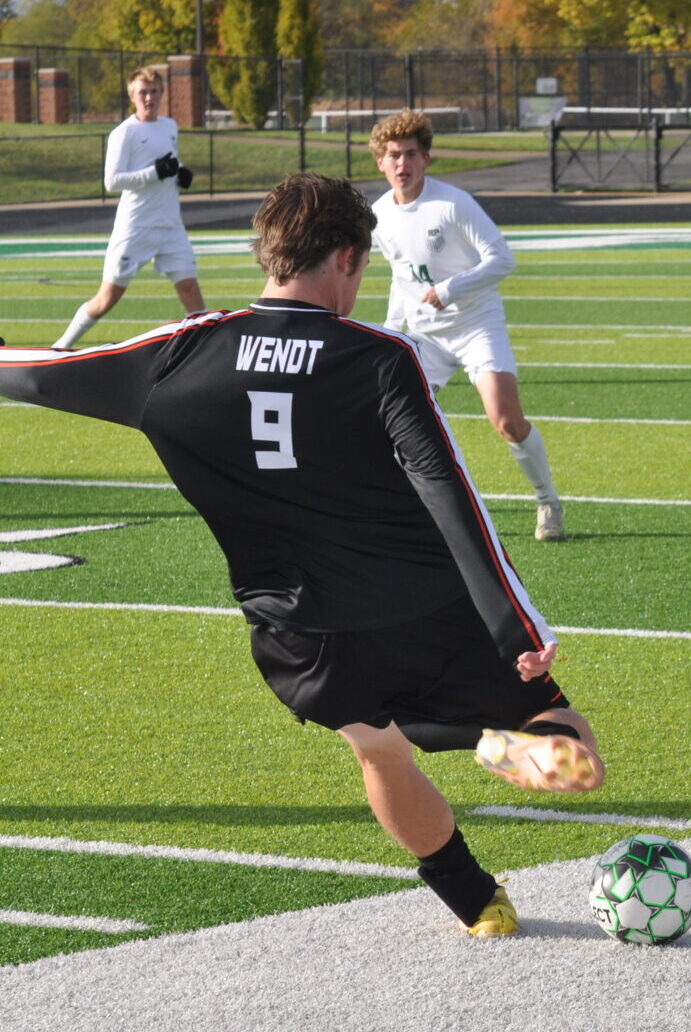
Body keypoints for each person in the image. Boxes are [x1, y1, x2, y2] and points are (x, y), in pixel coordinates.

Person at [0, 173, 603, 939]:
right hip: (426, 613)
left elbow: (36, 377)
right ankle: (490, 740)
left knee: (378, 752)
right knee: (570, 748)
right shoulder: (380, 357)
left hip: (299, 636)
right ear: (347, 258)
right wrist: (514, 625)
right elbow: (448, 490)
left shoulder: (181, 354)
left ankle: (474, 899)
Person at [368, 109, 565, 542]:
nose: (403, 164)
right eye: (394, 156)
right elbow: (401, 279)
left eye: (412, 155)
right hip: (423, 333)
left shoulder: (453, 203)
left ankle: (547, 499)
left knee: (507, 421)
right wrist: (391, 331)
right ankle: (409, 510)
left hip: (476, 324)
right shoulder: (378, 215)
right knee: (392, 422)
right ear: (380, 162)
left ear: (427, 160)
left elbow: (502, 259)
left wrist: (451, 289)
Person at [52, 67, 204, 351]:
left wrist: (180, 172)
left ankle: (205, 351)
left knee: (190, 289)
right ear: (132, 95)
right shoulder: (124, 133)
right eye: (142, 92)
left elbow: (170, 161)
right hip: (136, 226)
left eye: (154, 91)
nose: (149, 97)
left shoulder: (169, 126)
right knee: (107, 298)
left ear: (162, 93)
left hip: (171, 225)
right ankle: (60, 347)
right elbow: (112, 180)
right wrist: (153, 173)